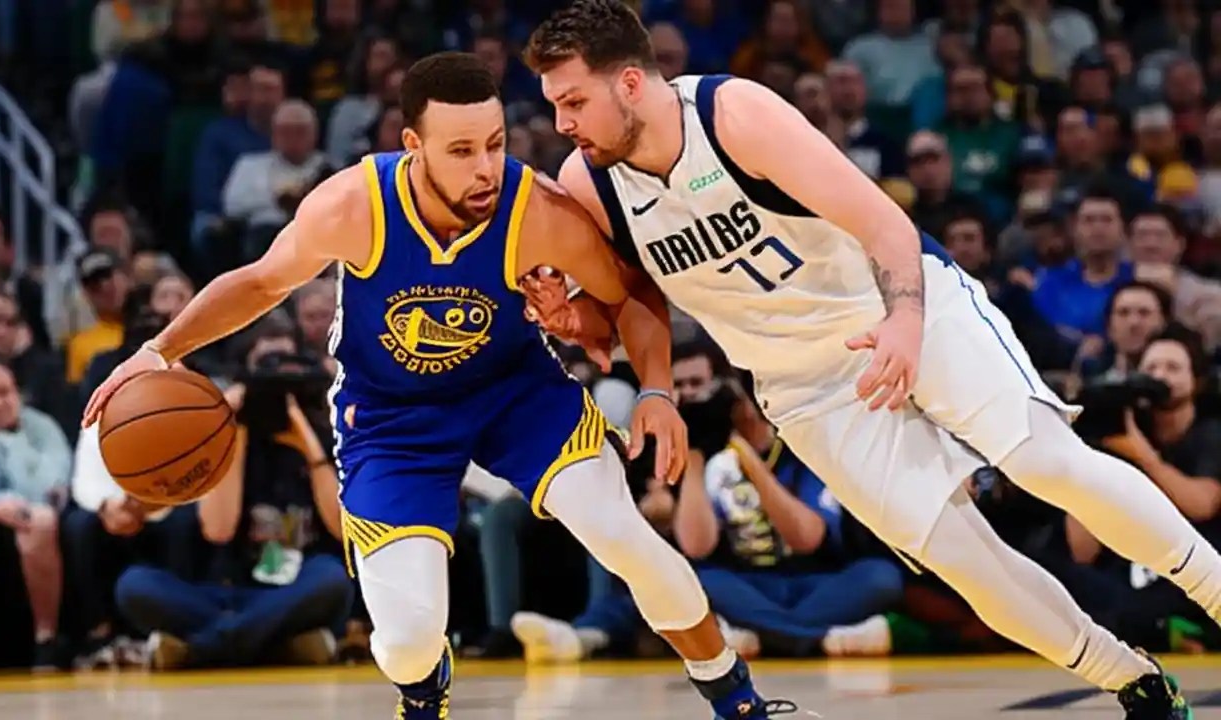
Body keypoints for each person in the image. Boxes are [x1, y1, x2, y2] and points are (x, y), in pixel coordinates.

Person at [519, 1, 1221, 717]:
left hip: (901, 305)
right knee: (963, 562)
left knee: (1046, 462)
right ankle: (1134, 682)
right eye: (554, 106)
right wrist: (593, 336)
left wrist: (907, 323)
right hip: (806, 384)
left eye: (574, 101)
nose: (563, 124)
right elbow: (636, 298)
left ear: (631, 83)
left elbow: (884, 221)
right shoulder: (588, 183)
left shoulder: (733, 116)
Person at [82, 52, 790, 720]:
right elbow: (261, 282)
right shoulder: (353, 205)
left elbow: (633, 295)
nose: (486, 167)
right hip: (392, 417)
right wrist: (157, 351)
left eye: (495, 142)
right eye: (461, 151)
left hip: (513, 392)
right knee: (409, 636)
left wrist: (656, 390)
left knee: (623, 536)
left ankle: (738, 699)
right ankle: (426, 689)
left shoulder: (533, 208)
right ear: (413, 145)